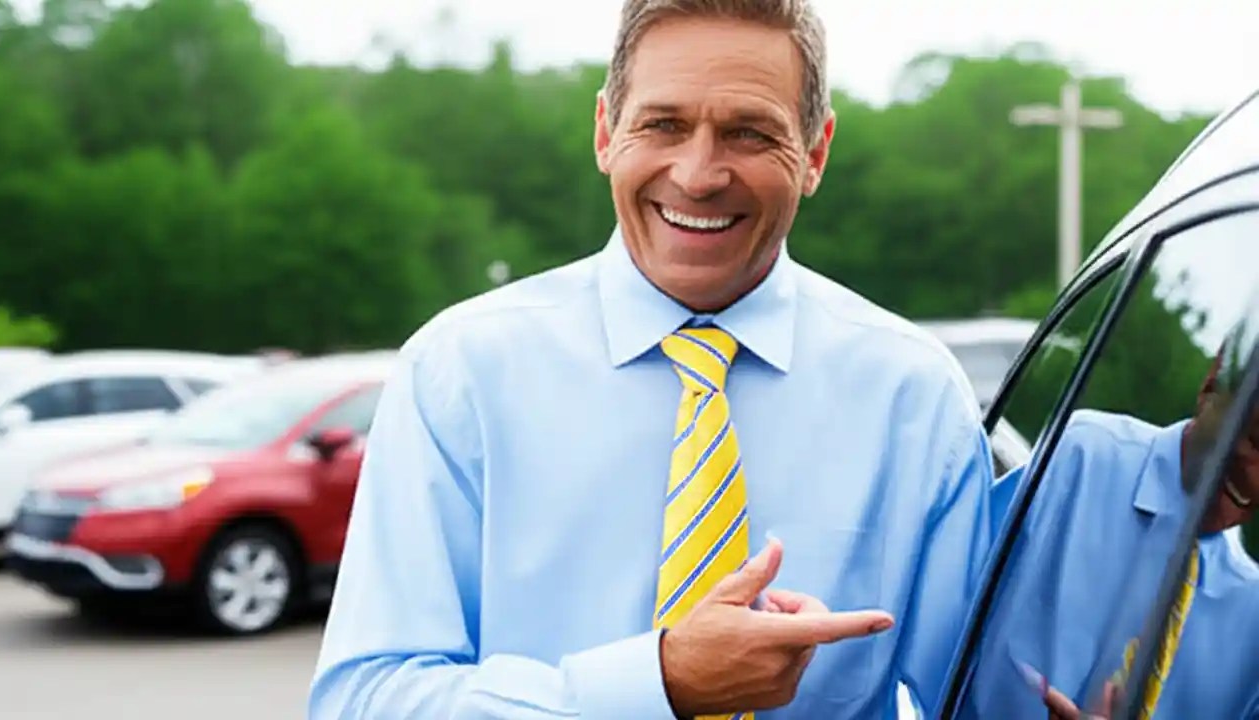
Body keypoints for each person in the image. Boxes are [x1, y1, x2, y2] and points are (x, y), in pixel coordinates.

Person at [308, 1, 996, 717]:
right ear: (606, 132)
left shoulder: (913, 396)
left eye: (749, 134)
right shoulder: (461, 375)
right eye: (663, 124)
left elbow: (978, 697)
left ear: (815, 153)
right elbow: (366, 697)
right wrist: (658, 684)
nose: (699, 175)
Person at [968, 348, 1259, 719]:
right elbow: (953, 618)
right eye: (1255, 441)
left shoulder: (1250, 617)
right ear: (1211, 386)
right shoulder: (1083, 457)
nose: (1253, 472)